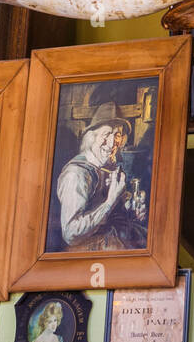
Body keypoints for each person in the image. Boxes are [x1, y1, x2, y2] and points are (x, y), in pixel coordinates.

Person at [52, 103, 148, 252]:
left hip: (111, 243)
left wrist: (131, 212)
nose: (111, 143)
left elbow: (111, 217)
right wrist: (110, 201)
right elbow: (71, 233)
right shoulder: (76, 174)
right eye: (106, 134)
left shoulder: (106, 168)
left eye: (117, 135)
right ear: (91, 137)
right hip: (86, 256)